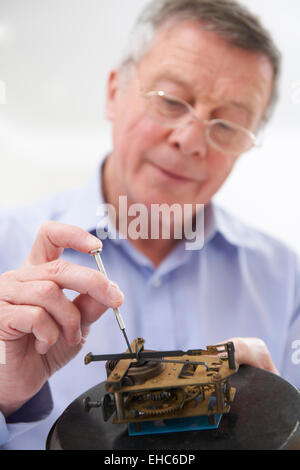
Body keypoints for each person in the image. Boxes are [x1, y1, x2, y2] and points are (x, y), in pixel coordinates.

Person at [0, 0, 299, 450]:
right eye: (171, 100)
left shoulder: (288, 280)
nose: (190, 139)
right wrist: (5, 395)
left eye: (229, 124)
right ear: (114, 91)